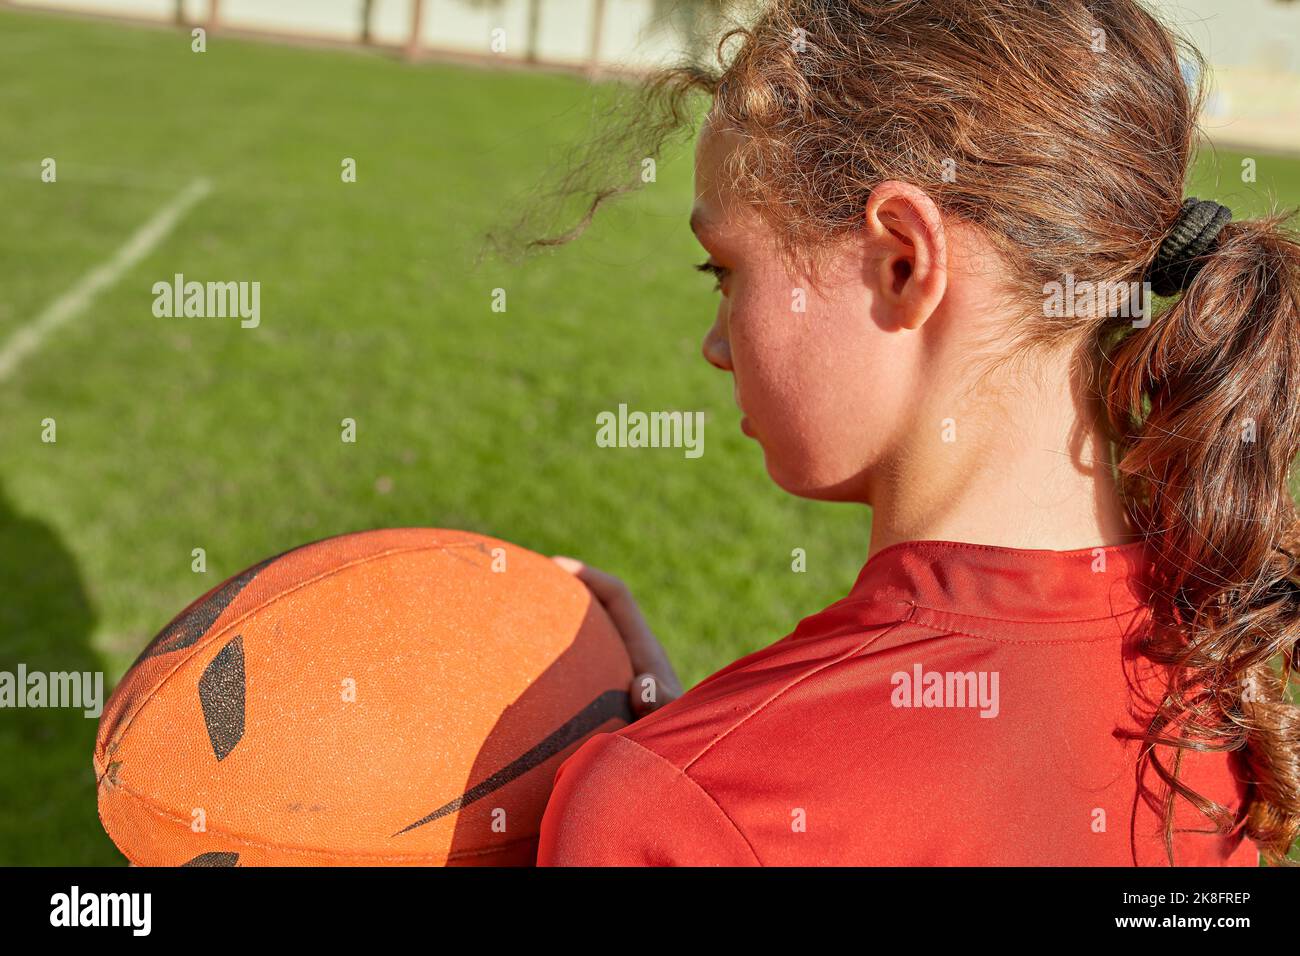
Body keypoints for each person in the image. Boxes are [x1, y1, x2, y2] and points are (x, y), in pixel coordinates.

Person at [536, 0, 1300, 865]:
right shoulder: (1213, 675)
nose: (715, 345)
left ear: (902, 262)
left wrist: (675, 790)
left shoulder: (678, 811)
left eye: (727, 270)